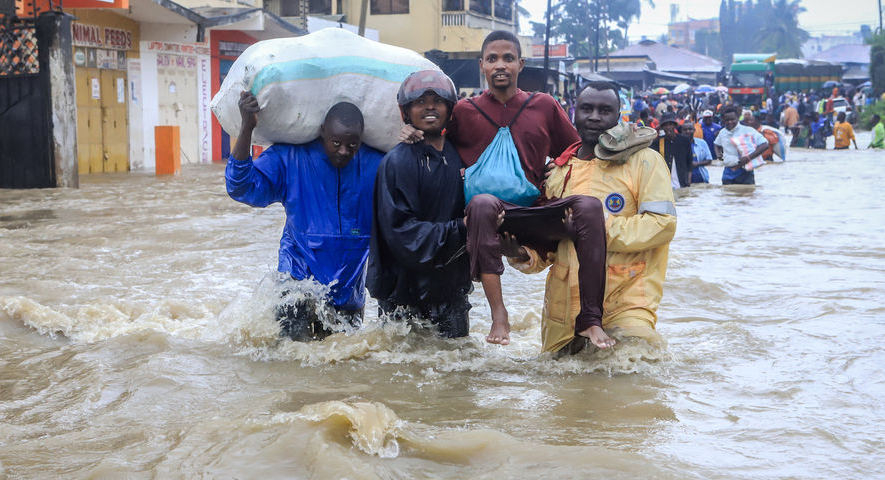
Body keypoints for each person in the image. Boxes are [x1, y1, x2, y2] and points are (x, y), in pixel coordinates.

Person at [402, 31, 611, 349]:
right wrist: (409, 131)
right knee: (483, 203)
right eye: (493, 59)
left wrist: (558, 165)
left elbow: (576, 151)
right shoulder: (464, 110)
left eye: (508, 58)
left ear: (520, 65)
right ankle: (499, 314)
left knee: (590, 207)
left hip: (533, 214)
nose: (500, 65)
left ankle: (590, 319)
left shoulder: (544, 106)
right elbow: (435, 140)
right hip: (485, 219)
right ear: (482, 65)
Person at [502, 82, 676, 354]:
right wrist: (524, 254)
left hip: (626, 303)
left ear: (618, 115)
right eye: (587, 109)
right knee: (560, 380)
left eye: (604, 110)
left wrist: (594, 228)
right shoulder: (559, 171)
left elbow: (662, 225)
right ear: (574, 113)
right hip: (562, 312)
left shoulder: (645, 161)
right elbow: (550, 245)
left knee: (633, 366)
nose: (594, 117)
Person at [226, 93, 383, 341]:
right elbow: (240, 186)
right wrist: (247, 127)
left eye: (352, 145)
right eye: (336, 143)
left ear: (361, 140)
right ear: (322, 132)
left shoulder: (378, 166)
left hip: (348, 294)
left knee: (345, 361)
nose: (343, 151)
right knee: (293, 358)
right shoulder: (291, 158)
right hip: (296, 286)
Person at [367, 70, 473, 338]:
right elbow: (402, 233)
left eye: (437, 101)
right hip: (403, 294)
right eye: (420, 102)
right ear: (405, 112)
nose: (429, 107)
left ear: (450, 109)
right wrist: (461, 228)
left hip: (451, 292)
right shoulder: (397, 163)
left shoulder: (460, 156)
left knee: (458, 361)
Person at [714, 105, 769, 185]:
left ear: (738, 118)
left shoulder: (748, 130)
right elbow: (716, 144)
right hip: (728, 172)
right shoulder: (722, 133)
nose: (730, 122)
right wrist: (718, 153)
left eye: (732, 119)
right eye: (727, 120)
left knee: (747, 192)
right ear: (723, 120)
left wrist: (748, 158)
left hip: (745, 172)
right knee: (726, 192)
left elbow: (765, 145)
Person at [651, 113, 693, 188]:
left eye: (670, 124)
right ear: (662, 127)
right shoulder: (658, 142)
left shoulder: (684, 141)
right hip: (665, 183)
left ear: (674, 126)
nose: (668, 127)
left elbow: (689, 161)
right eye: (665, 125)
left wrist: (689, 180)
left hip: (682, 182)